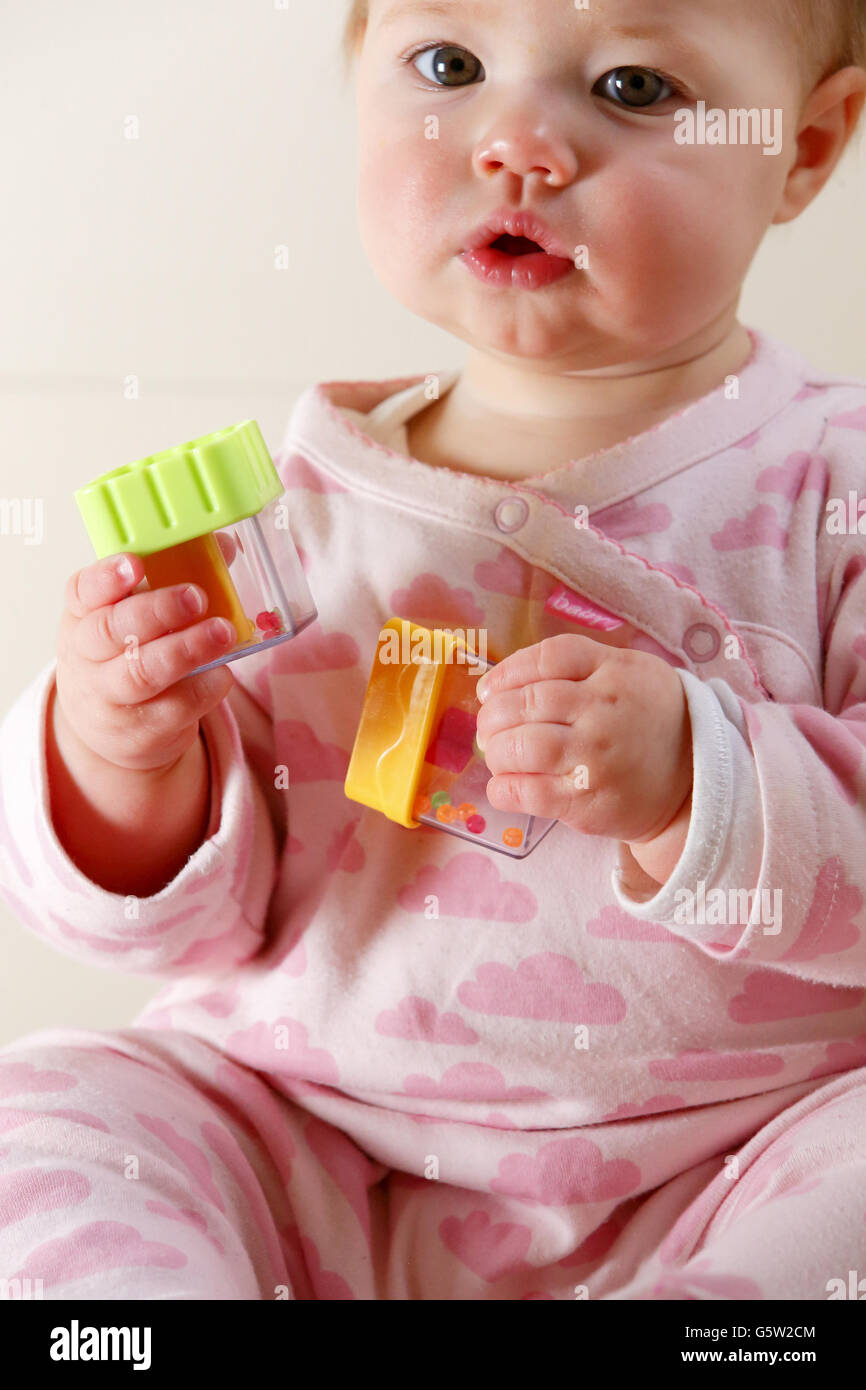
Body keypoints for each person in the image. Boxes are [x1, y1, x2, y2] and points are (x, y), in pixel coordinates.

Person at [1, 0, 866, 1300]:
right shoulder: (290, 511)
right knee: (57, 1106)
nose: (517, 142)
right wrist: (117, 744)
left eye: (631, 86)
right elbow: (171, 918)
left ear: (802, 147)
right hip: (302, 1137)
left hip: (725, 1164)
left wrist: (705, 781)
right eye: (450, 65)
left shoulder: (826, 485)